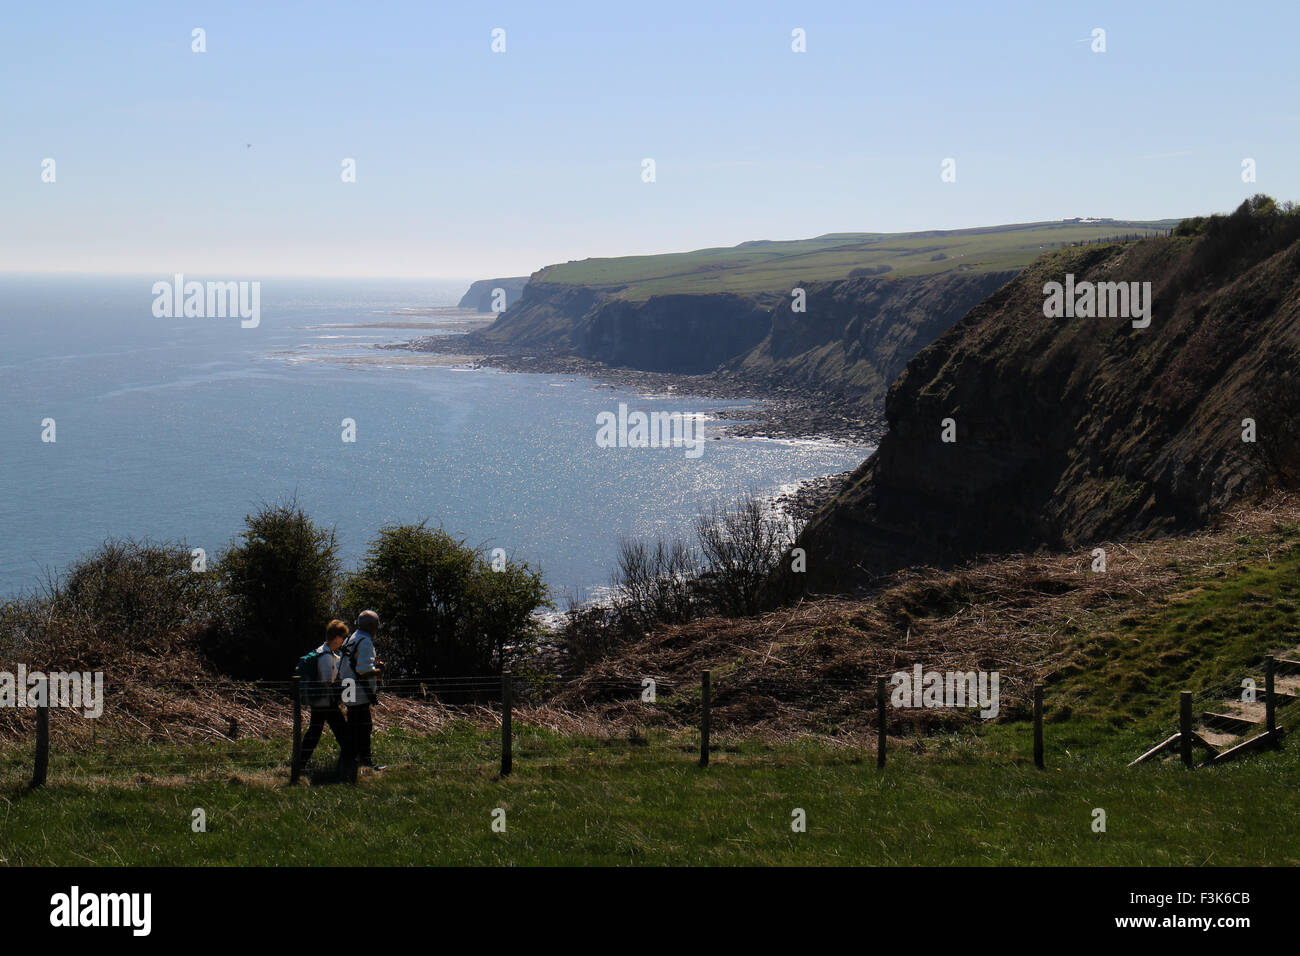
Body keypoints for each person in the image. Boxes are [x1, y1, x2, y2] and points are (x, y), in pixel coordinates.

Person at [295, 620, 351, 775]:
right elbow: (327, 681)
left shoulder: (323, 651)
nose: (343, 640)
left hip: (319, 700)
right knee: (341, 732)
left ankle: (299, 764)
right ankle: (347, 765)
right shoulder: (326, 657)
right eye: (343, 637)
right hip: (325, 701)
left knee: (315, 732)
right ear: (337, 638)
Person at [340, 610, 385, 770]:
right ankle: (364, 761)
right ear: (370, 625)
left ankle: (350, 760)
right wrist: (378, 670)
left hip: (347, 685)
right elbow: (363, 670)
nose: (377, 628)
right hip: (358, 688)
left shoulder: (351, 638)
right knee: (364, 726)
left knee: (353, 724)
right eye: (376, 625)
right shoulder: (365, 641)